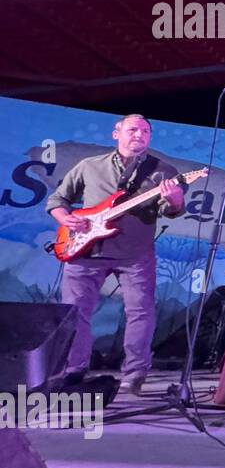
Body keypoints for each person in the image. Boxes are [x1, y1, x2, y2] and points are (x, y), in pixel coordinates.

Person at [46, 114, 186, 395]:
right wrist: (65, 219)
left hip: (135, 253)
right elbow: (57, 201)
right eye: (133, 129)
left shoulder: (163, 171)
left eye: (145, 131)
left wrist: (174, 199)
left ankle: (134, 373)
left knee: (140, 312)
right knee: (75, 312)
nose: (140, 134)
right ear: (116, 133)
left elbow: (172, 210)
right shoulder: (90, 166)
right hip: (85, 248)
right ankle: (73, 371)